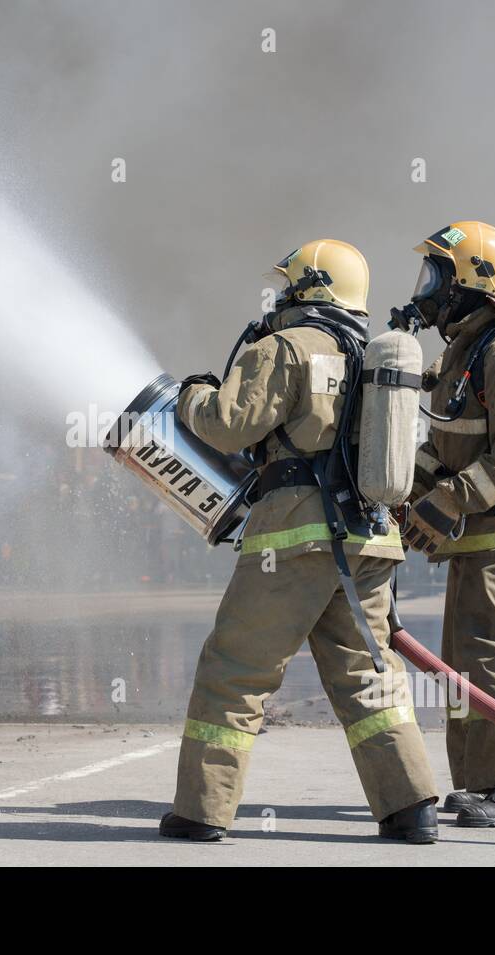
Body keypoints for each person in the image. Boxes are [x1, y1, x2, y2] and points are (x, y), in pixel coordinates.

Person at [159, 239, 439, 843]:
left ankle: (202, 811)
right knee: (368, 672)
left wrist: (192, 395)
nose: (281, 295)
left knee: (235, 667)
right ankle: (411, 806)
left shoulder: (286, 347)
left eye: (290, 284)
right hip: (368, 539)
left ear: (310, 286)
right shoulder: (374, 354)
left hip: (293, 538)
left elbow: (228, 426)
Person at [400, 221, 495, 827]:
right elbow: (448, 445)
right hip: (476, 531)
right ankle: (481, 783)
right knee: (463, 660)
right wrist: (404, 490)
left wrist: (451, 500)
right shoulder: (464, 351)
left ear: (472, 280)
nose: (428, 289)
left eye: (438, 274)